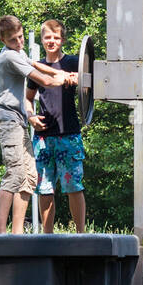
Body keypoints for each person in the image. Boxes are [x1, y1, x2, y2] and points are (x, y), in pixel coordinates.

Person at [0, 14, 76, 235]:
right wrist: (67, 79)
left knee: (29, 176)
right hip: (6, 119)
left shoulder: (18, 52)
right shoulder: (8, 57)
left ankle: (17, 234)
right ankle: (1, 232)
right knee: (15, 173)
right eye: (13, 40)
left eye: (20, 37)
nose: (19, 43)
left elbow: (38, 65)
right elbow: (44, 80)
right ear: (3, 40)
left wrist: (62, 72)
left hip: (17, 120)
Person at [26, 19, 86, 234]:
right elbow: (28, 98)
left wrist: (77, 78)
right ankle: (47, 236)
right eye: (48, 37)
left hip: (69, 134)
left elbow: (90, 80)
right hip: (43, 137)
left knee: (74, 187)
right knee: (44, 189)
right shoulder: (36, 69)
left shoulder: (73, 62)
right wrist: (31, 116)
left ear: (63, 40)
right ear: (42, 40)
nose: (52, 41)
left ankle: (81, 234)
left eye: (56, 37)